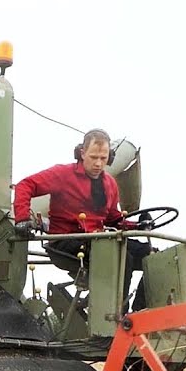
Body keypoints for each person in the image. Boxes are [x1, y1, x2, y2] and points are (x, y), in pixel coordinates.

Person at [12, 128, 152, 311]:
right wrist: (21, 218)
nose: (98, 164)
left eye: (103, 158)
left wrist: (138, 224)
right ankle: (115, 320)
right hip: (65, 243)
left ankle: (140, 313)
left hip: (99, 241)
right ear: (82, 153)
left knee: (153, 256)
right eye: (94, 157)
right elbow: (26, 185)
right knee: (120, 258)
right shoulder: (62, 175)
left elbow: (112, 218)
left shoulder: (110, 184)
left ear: (109, 158)